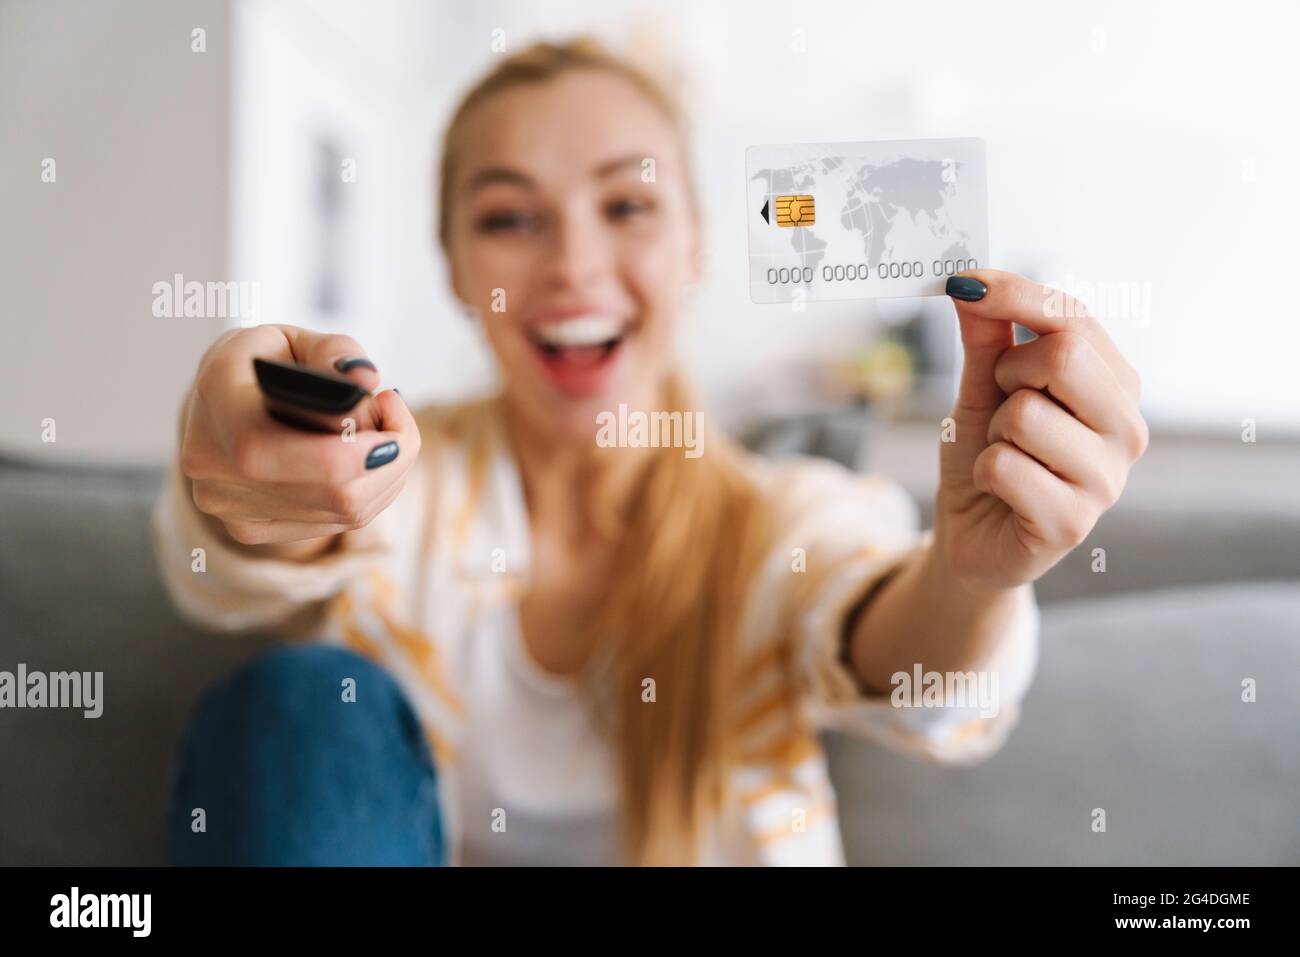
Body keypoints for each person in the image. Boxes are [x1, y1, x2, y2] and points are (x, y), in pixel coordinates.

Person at [153, 37, 1148, 866]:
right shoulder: (397, 472)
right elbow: (230, 578)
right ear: (455, 268)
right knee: (290, 703)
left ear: (697, 248)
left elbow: (913, 670)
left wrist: (971, 578)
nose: (574, 265)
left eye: (626, 206)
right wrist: (247, 490)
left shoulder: (783, 520)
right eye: (508, 218)